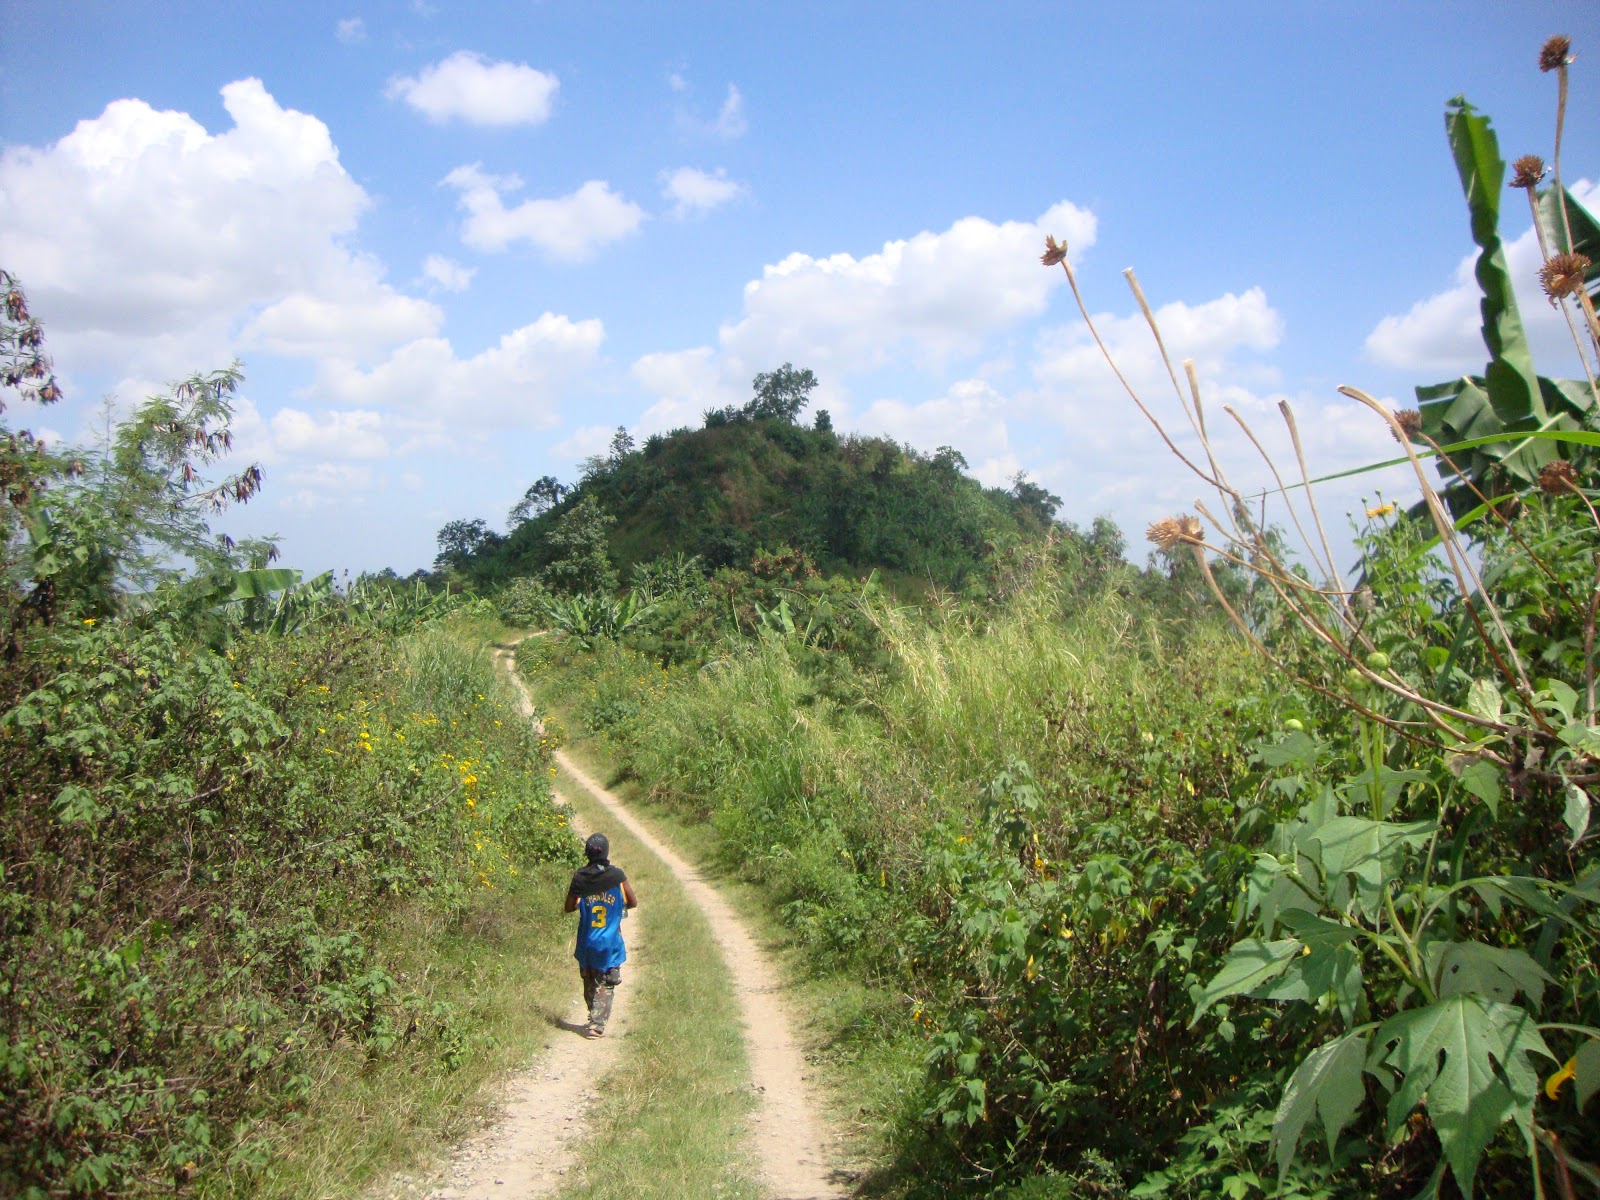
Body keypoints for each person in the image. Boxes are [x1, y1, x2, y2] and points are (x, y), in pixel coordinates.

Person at [564, 832, 637, 1038]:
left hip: (587, 942)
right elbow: (632, 901)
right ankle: (597, 1024)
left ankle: (593, 1015)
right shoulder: (617, 877)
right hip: (611, 942)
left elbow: (569, 907)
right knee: (607, 982)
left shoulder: (580, 877)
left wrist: (583, 900)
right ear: (606, 852)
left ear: (587, 853)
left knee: (589, 979)